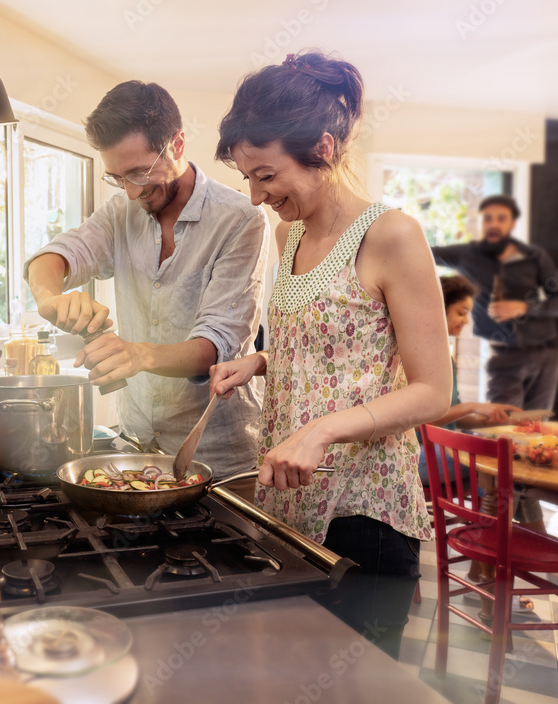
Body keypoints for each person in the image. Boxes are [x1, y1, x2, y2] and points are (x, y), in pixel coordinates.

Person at [209, 51, 452, 659]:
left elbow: (432, 390)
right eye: (248, 178)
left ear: (321, 147)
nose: (258, 196)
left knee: (356, 686)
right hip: (288, 498)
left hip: (363, 508)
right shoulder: (288, 234)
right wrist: (259, 362)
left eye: (266, 175)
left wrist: (320, 430)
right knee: (288, 670)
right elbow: (330, 343)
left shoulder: (390, 234)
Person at [24, 81, 270, 477]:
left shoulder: (241, 219)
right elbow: (56, 256)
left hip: (217, 456)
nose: (132, 192)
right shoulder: (120, 212)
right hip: (137, 447)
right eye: (117, 177)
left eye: (139, 172)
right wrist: (49, 297)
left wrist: (139, 355)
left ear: (176, 144)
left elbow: (216, 346)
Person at [432, 195, 558, 412]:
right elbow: (423, 254)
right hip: (505, 356)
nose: (494, 224)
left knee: (535, 429)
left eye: (501, 218)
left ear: (512, 223)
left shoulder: (534, 256)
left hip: (548, 354)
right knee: (501, 426)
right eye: (488, 218)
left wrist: (525, 307)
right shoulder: (465, 255)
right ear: (481, 222)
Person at [416, 274, 521, 486]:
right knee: (509, 463)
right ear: (438, 308)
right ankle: (492, 517)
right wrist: (472, 405)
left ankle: (496, 517)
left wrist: (492, 417)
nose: (466, 320)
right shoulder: (420, 355)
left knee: (515, 465)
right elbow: (417, 422)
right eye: (461, 312)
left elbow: (451, 416)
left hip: (443, 450)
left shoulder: (446, 355)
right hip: (417, 457)